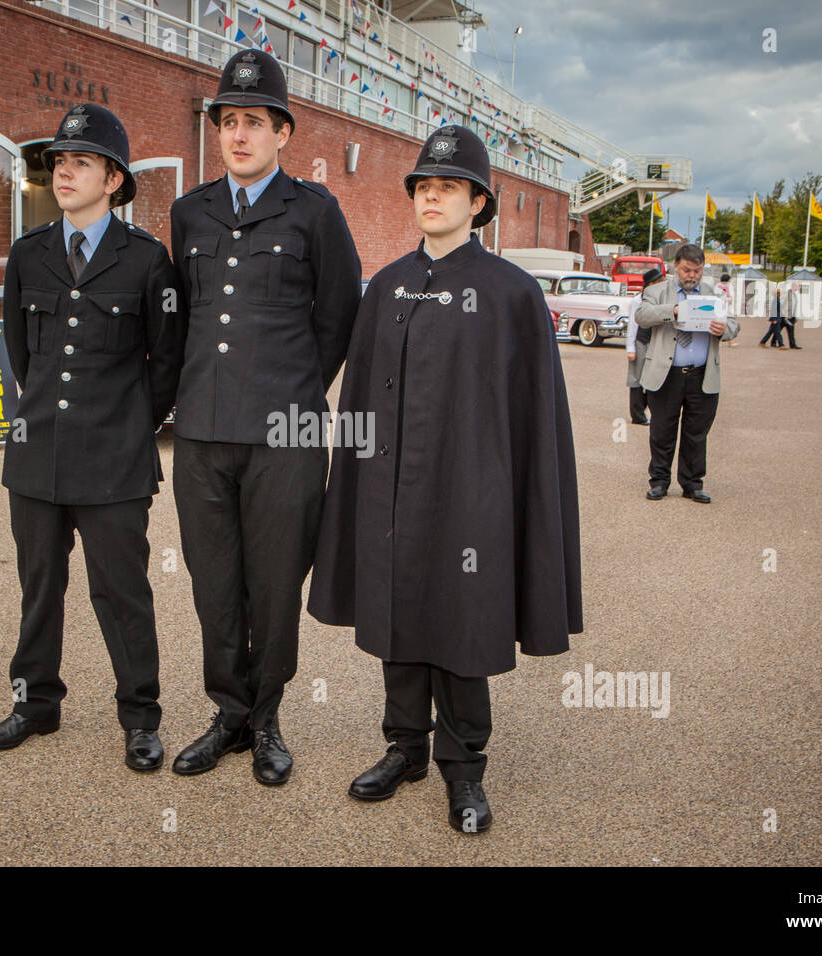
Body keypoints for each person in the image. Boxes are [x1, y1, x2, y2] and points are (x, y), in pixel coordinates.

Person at [307, 126, 582, 834]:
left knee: (461, 625)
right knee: (397, 615)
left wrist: (507, 499)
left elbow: (532, 414)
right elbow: (361, 396)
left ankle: (465, 772)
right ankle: (404, 749)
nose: (432, 196)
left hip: (470, 496)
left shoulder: (512, 293)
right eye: (423, 186)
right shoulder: (389, 286)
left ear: (478, 202)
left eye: (448, 187)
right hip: (390, 489)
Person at [167, 49, 362, 786]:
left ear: (283, 132)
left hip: (287, 433)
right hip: (205, 431)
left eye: (253, 121)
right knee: (213, 580)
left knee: (277, 582)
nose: (238, 134)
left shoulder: (315, 210)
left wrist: (295, 392)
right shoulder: (191, 211)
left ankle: (268, 717)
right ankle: (228, 714)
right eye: (228, 121)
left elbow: (339, 315)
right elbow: (183, 318)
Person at [0, 104, 187, 773]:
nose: (65, 172)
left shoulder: (149, 260)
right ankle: (34, 704)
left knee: (121, 592)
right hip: (36, 453)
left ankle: (140, 717)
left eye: (82, 162)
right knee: (38, 587)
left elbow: (168, 363)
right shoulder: (27, 254)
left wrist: (128, 424)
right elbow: (20, 353)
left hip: (115, 460)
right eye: (60, 162)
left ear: (115, 180)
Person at [637, 243, 740, 503]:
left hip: (702, 375)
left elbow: (734, 324)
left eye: (697, 270)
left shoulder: (714, 294)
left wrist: (723, 329)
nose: (692, 275)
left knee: (696, 433)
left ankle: (693, 484)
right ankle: (659, 481)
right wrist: (671, 311)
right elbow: (642, 315)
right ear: (676, 267)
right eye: (687, 270)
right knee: (662, 430)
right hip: (667, 374)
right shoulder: (657, 291)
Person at [625, 267, 665, 425]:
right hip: (640, 340)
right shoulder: (637, 300)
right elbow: (633, 325)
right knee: (636, 379)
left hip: (655, 342)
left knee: (653, 377)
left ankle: (648, 410)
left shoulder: (661, 298)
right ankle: (637, 414)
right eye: (659, 281)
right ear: (652, 283)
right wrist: (630, 348)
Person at [783, 281, 803, 349]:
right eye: (797, 286)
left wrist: (795, 316)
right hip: (787, 316)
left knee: (790, 331)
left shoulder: (794, 294)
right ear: (793, 286)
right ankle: (772, 341)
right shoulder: (788, 294)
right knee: (777, 329)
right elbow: (785, 305)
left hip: (792, 316)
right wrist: (785, 315)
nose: (798, 287)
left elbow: (794, 306)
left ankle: (793, 345)